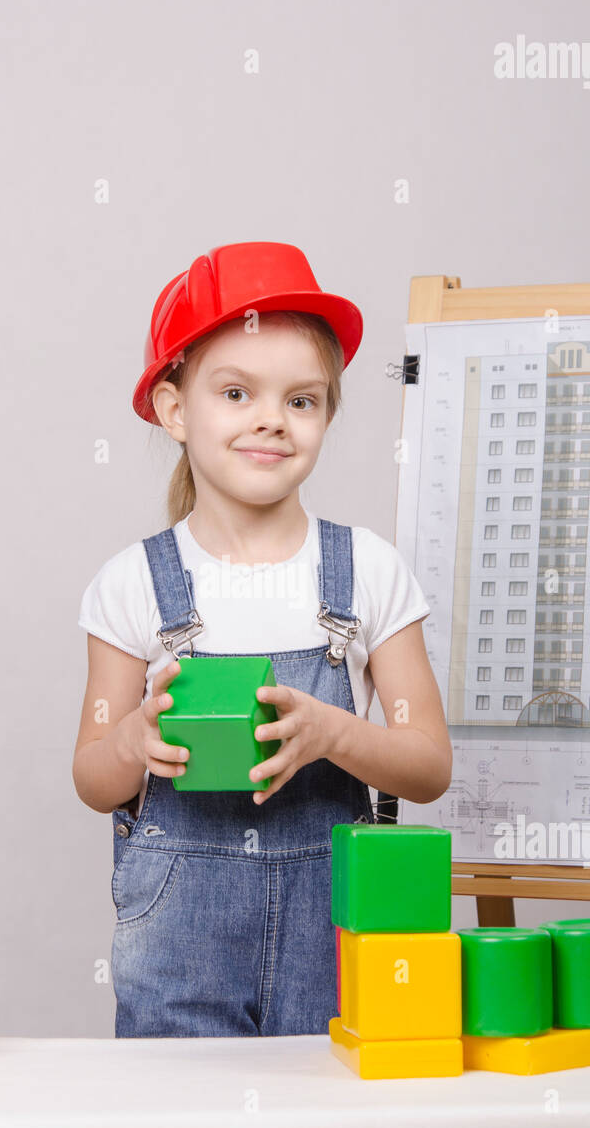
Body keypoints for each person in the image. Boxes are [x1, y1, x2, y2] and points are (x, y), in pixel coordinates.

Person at [72, 241, 451, 1037]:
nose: (270, 419)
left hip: (337, 943)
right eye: (236, 392)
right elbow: (93, 778)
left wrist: (334, 733)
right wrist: (135, 738)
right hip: (180, 959)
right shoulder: (133, 583)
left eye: (301, 400)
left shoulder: (368, 571)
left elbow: (427, 767)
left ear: (324, 417)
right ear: (175, 410)